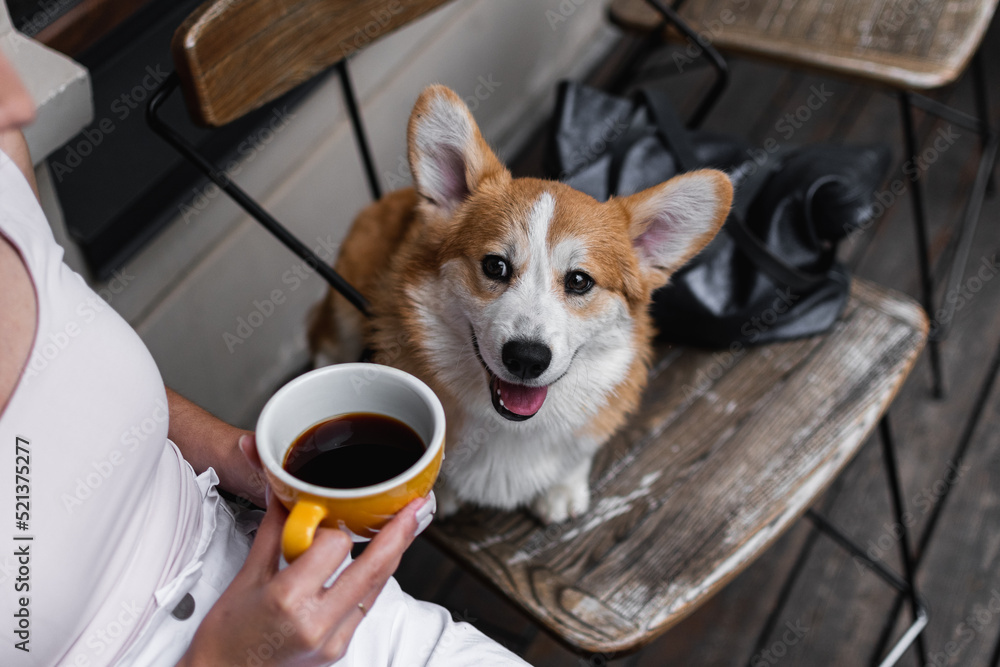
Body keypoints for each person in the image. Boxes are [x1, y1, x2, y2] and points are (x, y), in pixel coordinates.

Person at [0, 50, 529, 667]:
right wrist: (222, 659)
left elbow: (66, 386)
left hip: (298, 586)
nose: (21, 102)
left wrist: (245, 461)